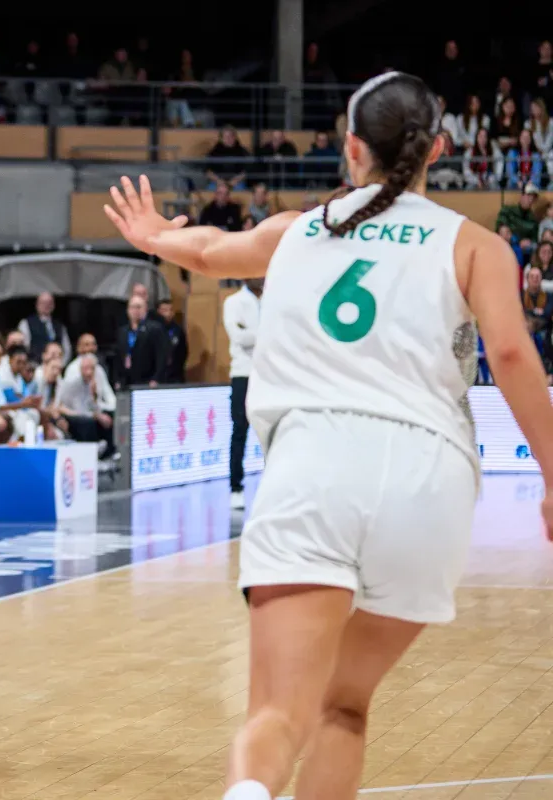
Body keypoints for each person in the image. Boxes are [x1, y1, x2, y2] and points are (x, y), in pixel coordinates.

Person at [104, 72, 553, 800]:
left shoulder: (296, 231)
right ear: (438, 148)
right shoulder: (475, 245)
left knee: (279, 713)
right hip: (429, 480)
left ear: (351, 148)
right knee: (344, 707)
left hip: (311, 468)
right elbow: (509, 356)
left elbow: (212, 250)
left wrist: (154, 234)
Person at [224, 278, 262, 509]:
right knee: (240, 431)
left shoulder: (273, 297)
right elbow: (239, 338)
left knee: (272, 433)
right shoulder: (233, 302)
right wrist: (267, 334)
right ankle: (236, 487)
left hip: (268, 373)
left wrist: (254, 334)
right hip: (242, 373)